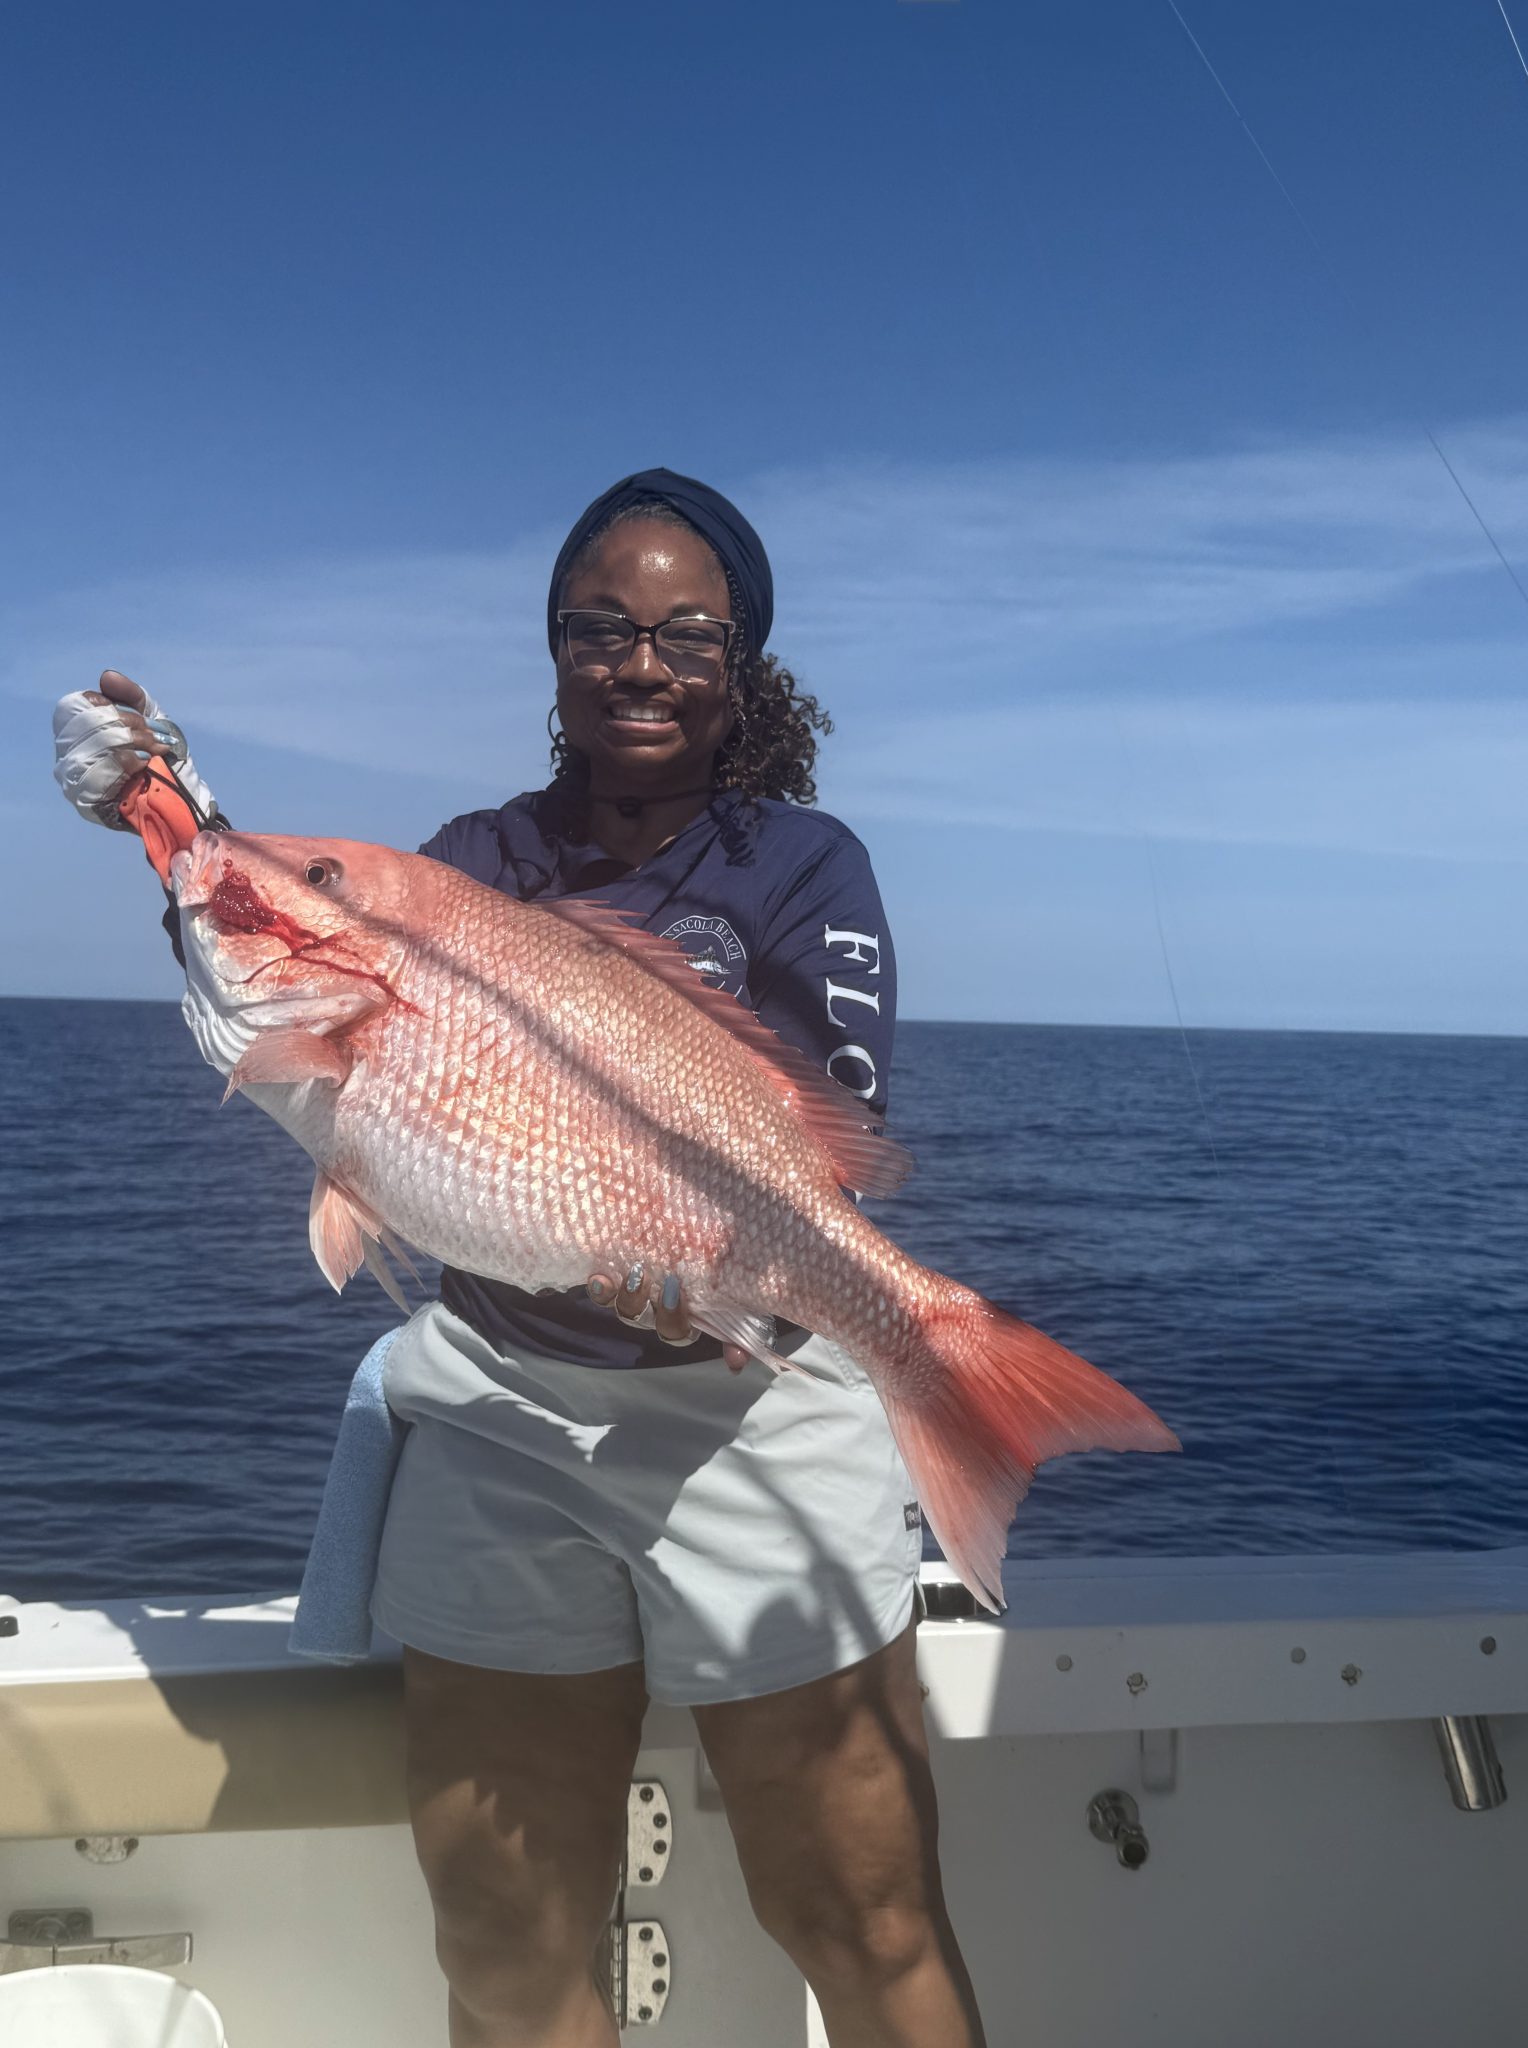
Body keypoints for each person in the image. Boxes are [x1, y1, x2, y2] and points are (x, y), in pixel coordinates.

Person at [52, 469, 986, 2048]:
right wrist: (170, 822)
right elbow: (301, 959)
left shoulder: (806, 864)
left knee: (862, 1913)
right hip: (503, 1414)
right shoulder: (471, 859)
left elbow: (828, 1134)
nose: (642, 664)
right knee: (500, 1932)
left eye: (689, 635)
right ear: (555, 650)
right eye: (600, 627)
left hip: (757, 1419)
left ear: (744, 663)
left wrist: (730, 1272)